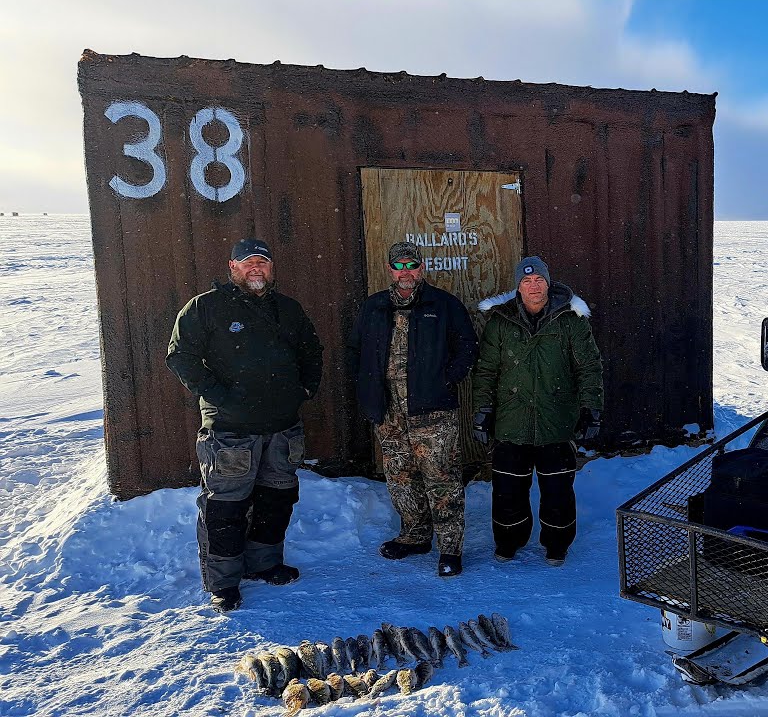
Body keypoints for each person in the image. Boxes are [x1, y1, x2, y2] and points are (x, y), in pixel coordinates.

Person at [166, 238, 323, 612]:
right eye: (248, 262)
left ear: (271, 268)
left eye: (263, 263)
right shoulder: (207, 307)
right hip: (230, 429)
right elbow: (180, 356)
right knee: (226, 508)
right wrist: (219, 396)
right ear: (232, 267)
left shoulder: (287, 308)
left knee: (277, 499)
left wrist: (304, 388)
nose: (256, 268)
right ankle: (223, 582)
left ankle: (265, 564)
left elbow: (311, 351)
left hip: (282, 426)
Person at [347, 242, 478, 577]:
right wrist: (367, 391)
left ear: (422, 268)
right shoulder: (374, 307)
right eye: (398, 266)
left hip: (432, 410)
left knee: (441, 477)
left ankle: (450, 547)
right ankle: (415, 535)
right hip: (388, 411)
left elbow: (467, 347)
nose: (406, 272)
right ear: (390, 270)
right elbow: (355, 351)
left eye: (412, 265)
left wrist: (446, 380)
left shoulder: (443, 305)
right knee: (400, 477)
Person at [472, 256, 604, 566]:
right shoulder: (500, 321)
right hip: (511, 420)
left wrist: (591, 408)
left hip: (555, 420)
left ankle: (557, 544)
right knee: (508, 490)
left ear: (548, 282)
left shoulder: (570, 320)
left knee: (557, 491)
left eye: (539, 280)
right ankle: (509, 541)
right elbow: (486, 370)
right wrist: (483, 410)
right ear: (517, 286)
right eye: (527, 281)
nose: (534, 286)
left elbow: (589, 366)